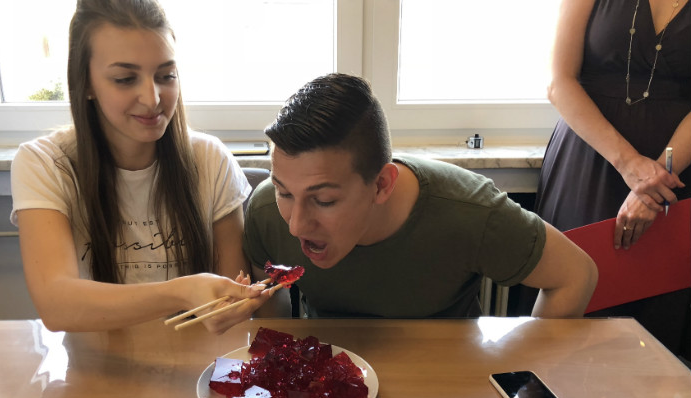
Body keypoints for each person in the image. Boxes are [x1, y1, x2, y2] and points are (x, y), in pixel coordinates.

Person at [11, 0, 272, 333]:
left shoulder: (209, 159)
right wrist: (183, 292)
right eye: (124, 79)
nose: (152, 99)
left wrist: (235, 304)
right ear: (85, 82)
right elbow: (57, 306)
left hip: (195, 369)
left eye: (166, 75)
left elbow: (226, 306)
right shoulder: (45, 164)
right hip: (96, 368)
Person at [244, 73, 597, 319]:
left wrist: (525, 380)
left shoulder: (471, 212)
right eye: (284, 192)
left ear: (381, 185)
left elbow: (576, 275)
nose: (296, 225)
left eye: (324, 201)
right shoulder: (264, 211)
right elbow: (273, 323)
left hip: (446, 391)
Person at [533, 0, 691, 355]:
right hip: (586, 166)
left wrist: (659, 178)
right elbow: (559, 81)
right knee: (565, 322)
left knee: (657, 336)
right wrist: (630, 165)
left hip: (678, 175)